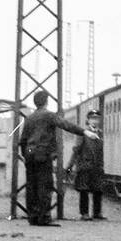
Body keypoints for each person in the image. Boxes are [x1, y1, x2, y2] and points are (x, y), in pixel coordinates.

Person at [16, 89, 98, 227]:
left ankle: (33, 217)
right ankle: (44, 218)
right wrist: (85, 131)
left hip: (30, 154)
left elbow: (23, 140)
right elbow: (66, 125)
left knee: (32, 186)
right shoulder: (49, 115)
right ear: (46, 102)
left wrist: (26, 155)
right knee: (45, 185)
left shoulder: (29, 118)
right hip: (43, 154)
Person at [66, 110, 106, 220]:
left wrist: (102, 166)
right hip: (85, 166)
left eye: (97, 119)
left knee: (98, 189)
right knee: (84, 190)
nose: (95, 121)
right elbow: (76, 150)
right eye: (92, 118)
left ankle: (97, 213)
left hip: (97, 167)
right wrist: (70, 166)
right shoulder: (83, 134)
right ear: (88, 120)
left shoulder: (100, 133)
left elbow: (101, 152)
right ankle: (84, 213)